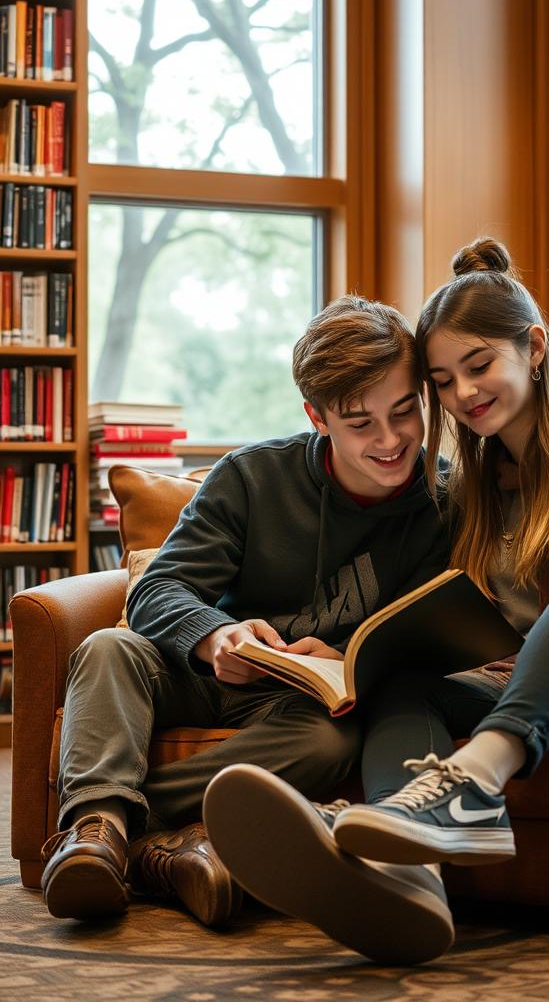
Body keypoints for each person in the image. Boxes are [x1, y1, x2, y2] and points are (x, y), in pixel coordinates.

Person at [204, 237, 549, 962]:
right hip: (545, 691)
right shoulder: (480, 476)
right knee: (405, 685)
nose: (463, 394)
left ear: (535, 348)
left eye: (480, 365)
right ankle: (410, 877)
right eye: (443, 380)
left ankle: (475, 781)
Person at [39, 294, 452, 951]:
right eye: (360, 423)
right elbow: (159, 589)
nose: (391, 439)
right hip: (204, 677)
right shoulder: (252, 476)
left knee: (329, 745)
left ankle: (116, 828)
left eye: (405, 411)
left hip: (302, 706)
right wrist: (213, 636)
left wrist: (343, 654)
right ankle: (101, 835)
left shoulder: (444, 502)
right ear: (316, 417)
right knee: (109, 647)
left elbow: (439, 632)